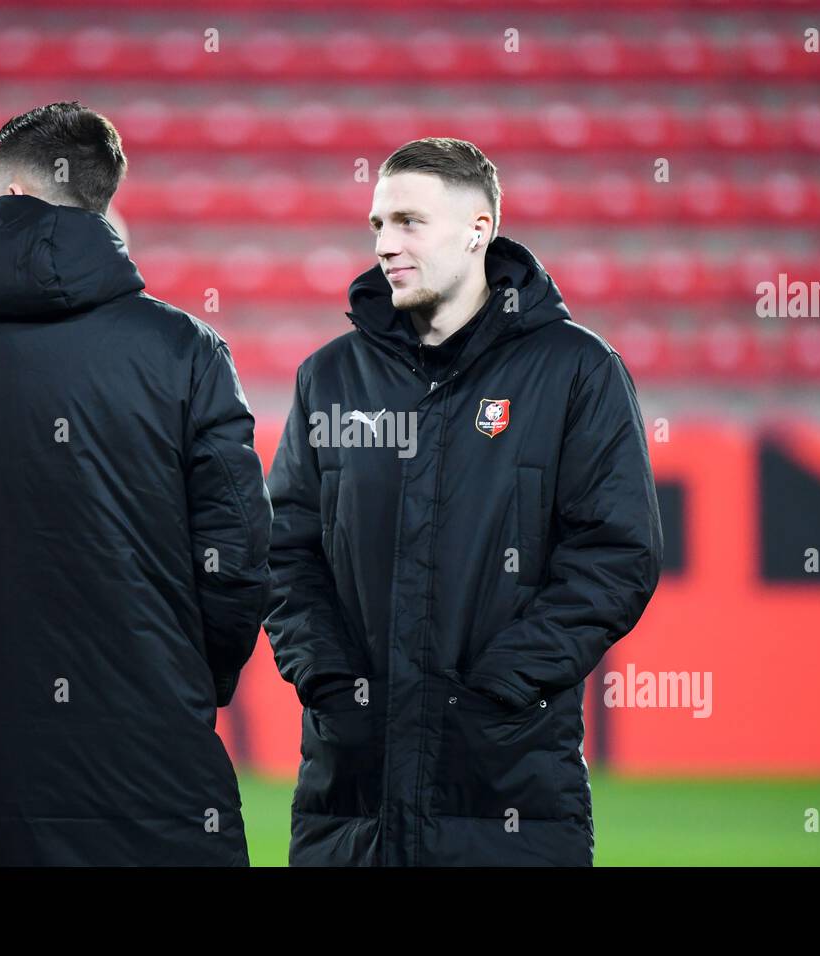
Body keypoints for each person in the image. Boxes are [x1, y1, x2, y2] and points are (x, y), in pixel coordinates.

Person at [0, 101, 271, 865]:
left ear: (5, 195)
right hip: (160, 782)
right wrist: (184, 674)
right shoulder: (184, 350)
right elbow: (238, 556)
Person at [263, 137, 663, 866]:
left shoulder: (577, 372)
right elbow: (285, 552)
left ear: (478, 230)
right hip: (350, 801)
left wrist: (499, 688)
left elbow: (617, 555)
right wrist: (329, 681)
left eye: (409, 222)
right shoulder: (329, 378)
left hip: (507, 790)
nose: (385, 244)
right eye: (378, 225)